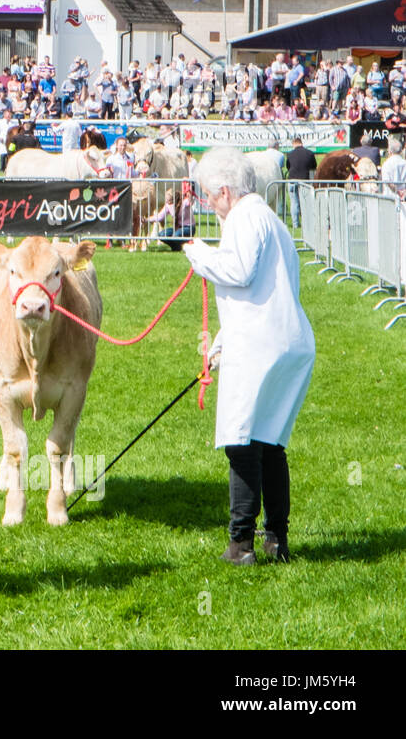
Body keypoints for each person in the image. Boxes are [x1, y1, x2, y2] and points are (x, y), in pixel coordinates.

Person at [183, 147, 315, 566]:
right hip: (287, 341)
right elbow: (264, 290)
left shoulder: (242, 217)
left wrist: (197, 252)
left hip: (260, 347)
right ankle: (276, 540)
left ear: (224, 191)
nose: (209, 204)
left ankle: (240, 545)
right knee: (270, 442)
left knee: (241, 442)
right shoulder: (272, 221)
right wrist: (223, 340)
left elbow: (238, 272)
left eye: (209, 196)